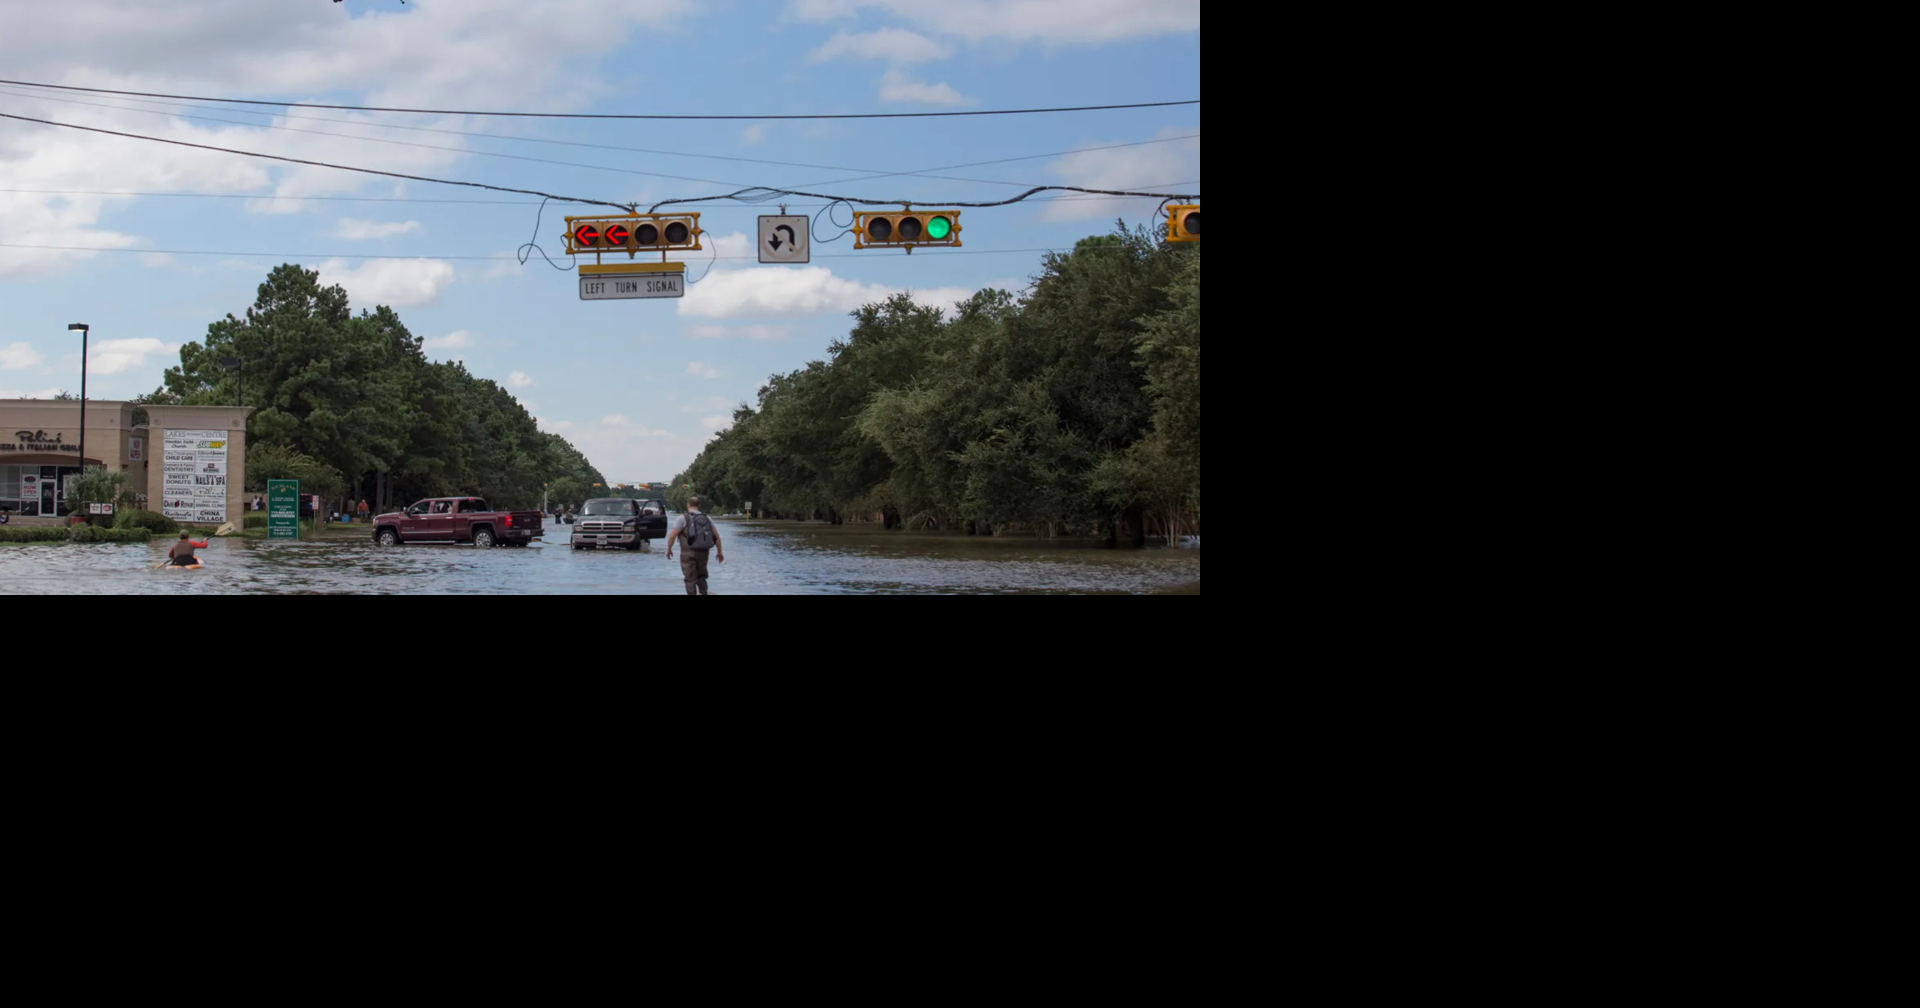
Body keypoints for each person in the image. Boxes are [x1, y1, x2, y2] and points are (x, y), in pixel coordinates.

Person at [664, 495, 723, 595]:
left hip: (688, 553)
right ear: (699, 505)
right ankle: (704, 593)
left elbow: (672, 536)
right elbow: (716, 537)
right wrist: (719, 552)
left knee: (690, 578)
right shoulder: (707, 518)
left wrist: (669, 550)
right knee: (701, 577)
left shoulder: (683, 518)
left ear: (687, 505)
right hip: (704, 553)